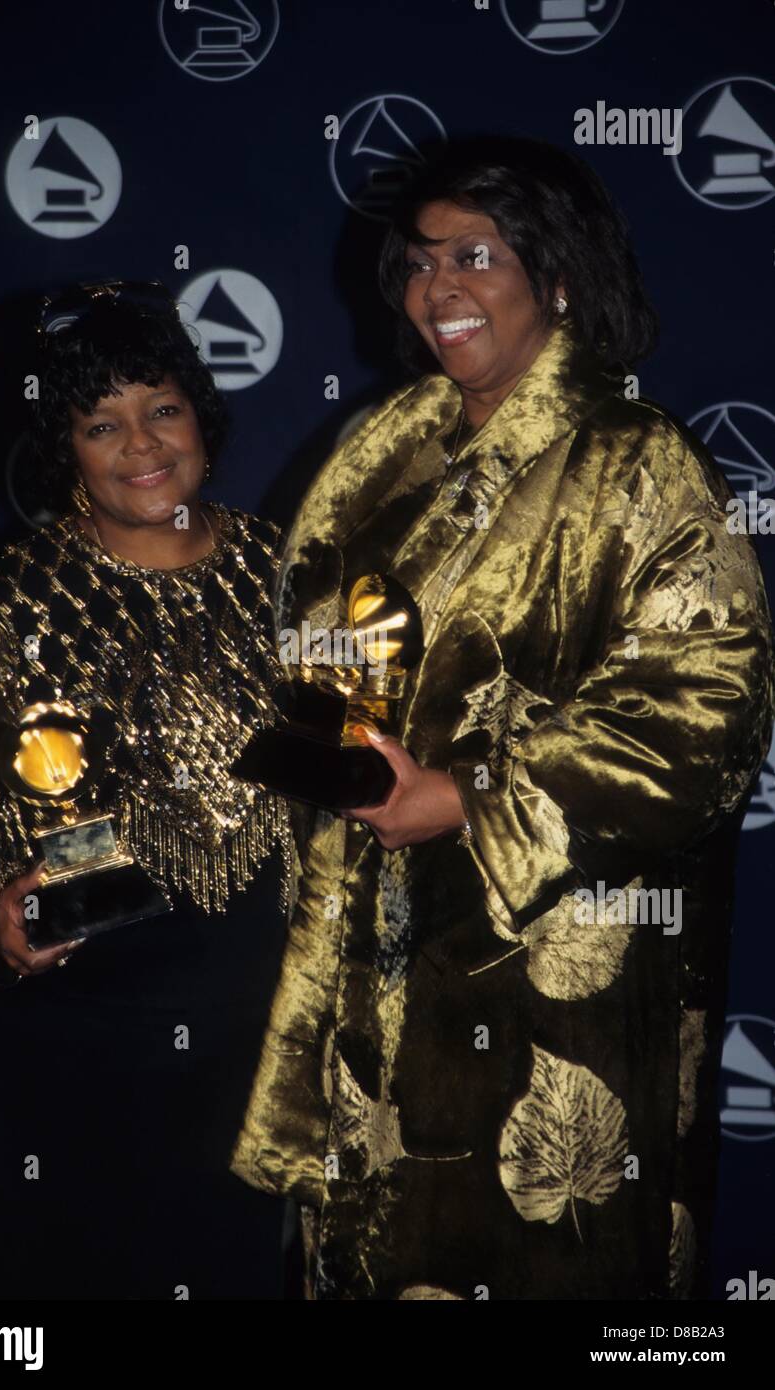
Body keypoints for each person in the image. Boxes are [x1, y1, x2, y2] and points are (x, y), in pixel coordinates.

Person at [229, 137, 775, 1300]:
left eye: (475, 255)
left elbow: (706, 706)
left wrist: (474, 798)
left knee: (535, 1253)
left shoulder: (636, 461)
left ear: (559, 278)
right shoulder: (383, 455)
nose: (440, 288)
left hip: (551, 970)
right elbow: (315, 654)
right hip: (377, 946)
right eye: (423, 259)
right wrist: (341, 762)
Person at [0, 280, 291, 1300]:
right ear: (61, 447)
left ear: (200, 414)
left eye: (161, 408)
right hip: (78, 1036)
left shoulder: (286, 572)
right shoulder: (13, 597)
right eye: (100, 424)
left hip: (257, 1020)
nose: (141, 446)